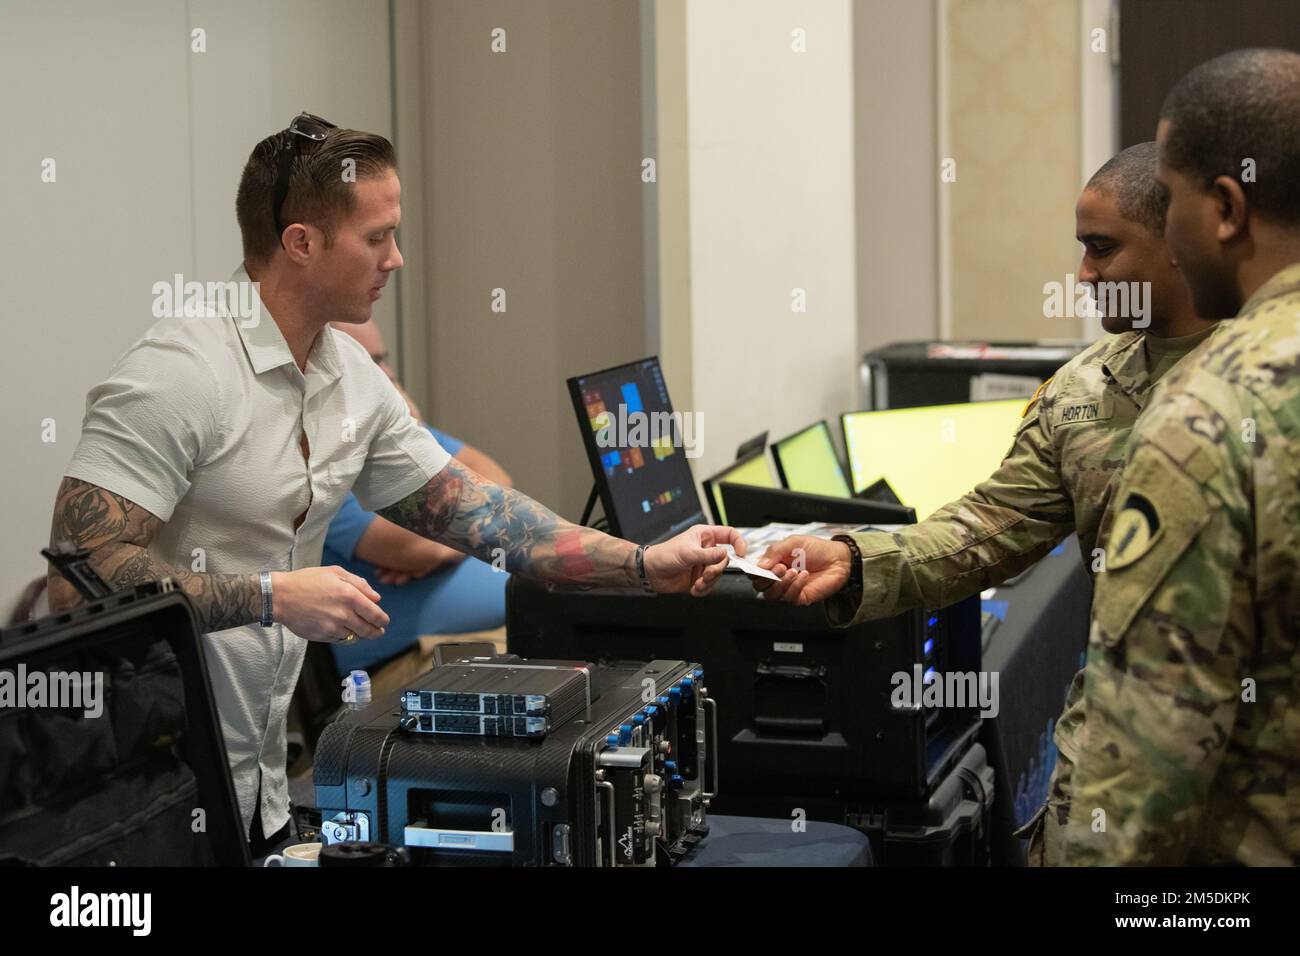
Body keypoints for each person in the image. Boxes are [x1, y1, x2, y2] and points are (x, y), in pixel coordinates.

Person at [47, 114, 741, 856]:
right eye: (376, 238)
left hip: (257, 780)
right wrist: (272, 596)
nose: (397, 259)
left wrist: (641, 566)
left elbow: (481, 515)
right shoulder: (179, 373)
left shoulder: (345, 375)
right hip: (142, 790)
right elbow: (77, 582)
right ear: (301, 244)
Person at [749, 142, 1218, 865]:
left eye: (1103, 249)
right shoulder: (1083, 394)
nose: (1085, 276)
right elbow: (986, 528)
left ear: (1180, 240)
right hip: (1110, 790)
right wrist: (851, 555)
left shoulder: (1272, 376)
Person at [1065, 49, 1300, 865]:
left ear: (1226, 209)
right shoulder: (1101, 386)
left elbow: (1145, 770)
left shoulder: (1208, 414)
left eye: (1174, 204)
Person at [323, 319, 512, 674]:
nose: (390, 373)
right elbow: (415, 547)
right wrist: (458, 539)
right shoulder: (326, 457)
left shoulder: (397, 425)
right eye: (373, 362)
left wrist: (445, 544)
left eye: (385, 359)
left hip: (491, 636)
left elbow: (499, 484)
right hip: (411, 662)